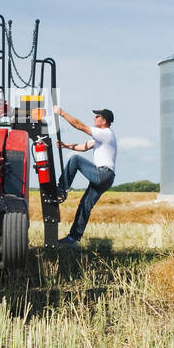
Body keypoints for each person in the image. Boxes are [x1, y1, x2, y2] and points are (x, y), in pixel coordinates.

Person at [54, 106, 117, 247]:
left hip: (103, 174)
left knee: (75, 160)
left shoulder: (105, 133)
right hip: (106, 178)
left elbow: (79, 126)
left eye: (97, 117)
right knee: (85, 206)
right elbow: (83, 147)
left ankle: (61, 188)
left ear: (104, 121)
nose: (94, 118)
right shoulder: (102, 137)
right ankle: (73, 239)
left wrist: (62, 112)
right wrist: (66, 146)